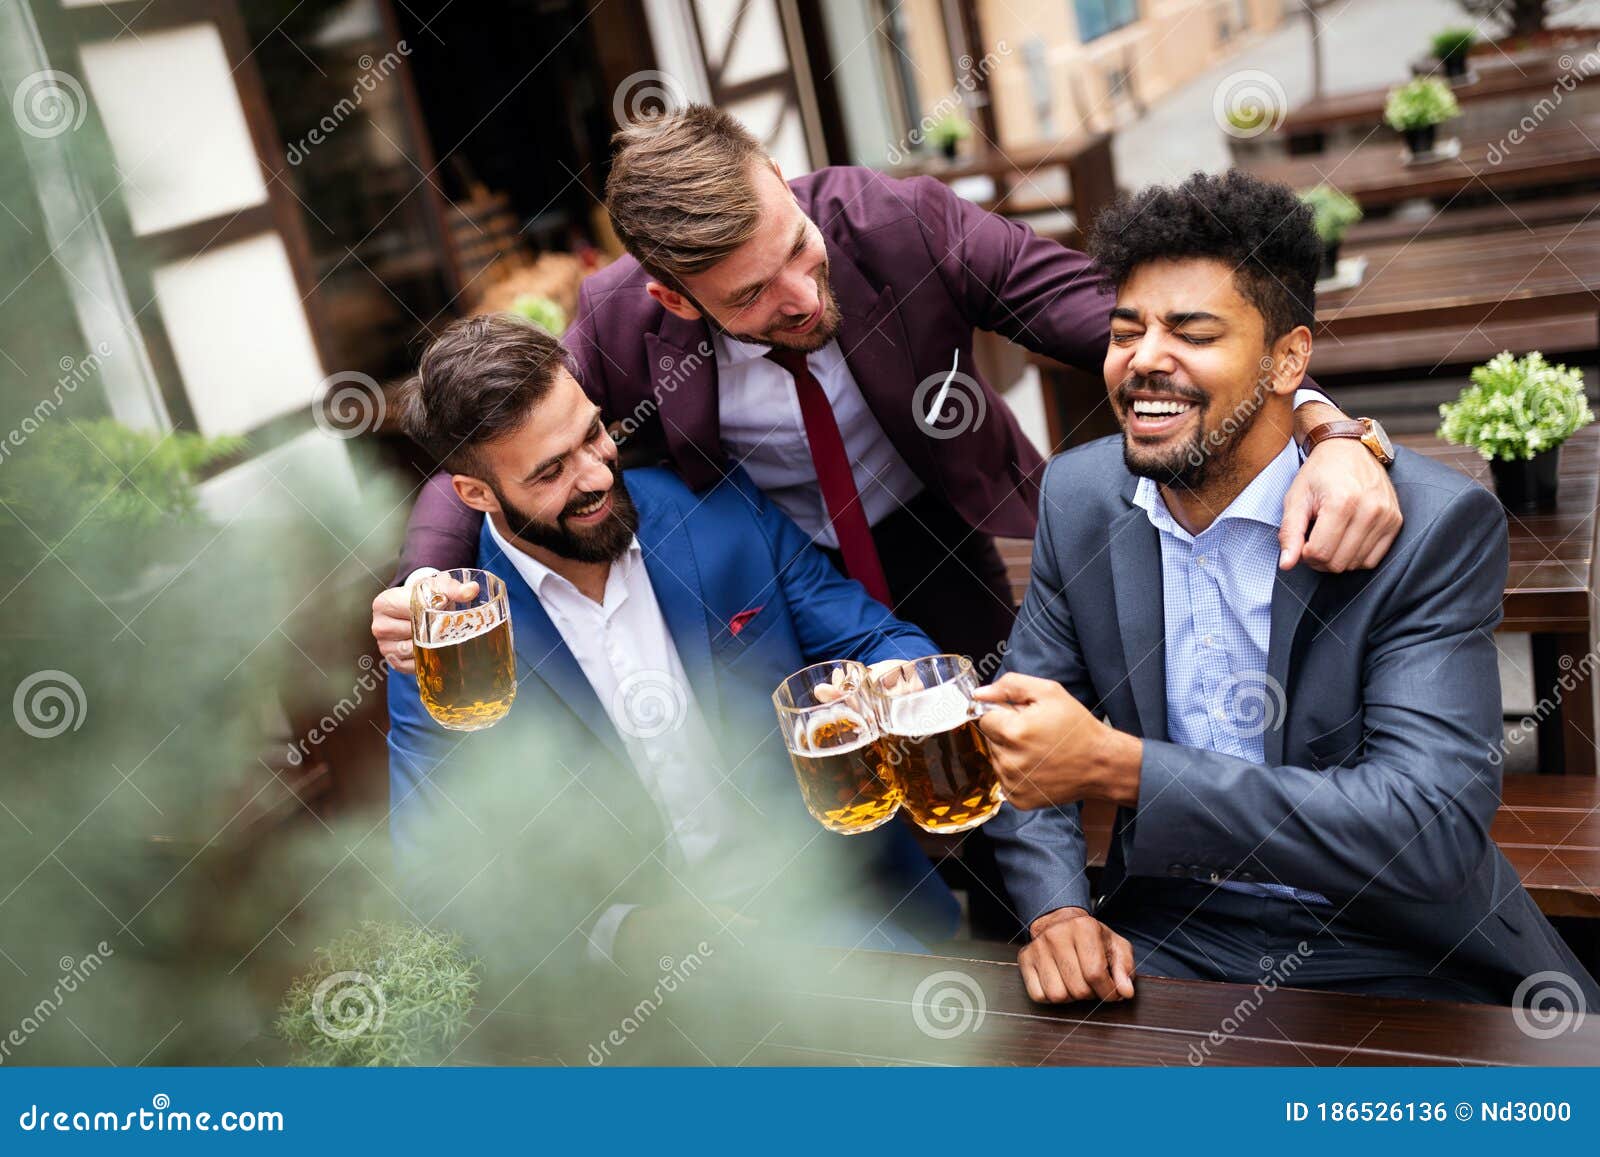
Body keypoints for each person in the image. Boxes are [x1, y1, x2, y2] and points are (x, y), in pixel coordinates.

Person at [372, 105, 1403, 938]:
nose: (798, 291)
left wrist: (1324, 423)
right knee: (841, 830)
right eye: (752, 294)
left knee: (1000, 779)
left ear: (781, 179)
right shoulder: (615, 322)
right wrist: (426, 581)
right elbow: (495, 447)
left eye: (795, 248)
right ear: (674, 300)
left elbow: (1127, 329)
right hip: (765, 573)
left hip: (932, 535)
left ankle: (1052, 955)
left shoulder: (897, 222)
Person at [973, 170, 1600, 1009]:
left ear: (1288, 359)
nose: (1145, 358)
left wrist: (1128, 769)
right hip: (1171, 928)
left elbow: (1427, 827)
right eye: (1128, 330)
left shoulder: (1428, 526)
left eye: (1191, 332)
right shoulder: (1081, 498)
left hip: (1394, 945)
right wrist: (1055, 910)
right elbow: (1025, 725)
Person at [385, 313, 957, 995]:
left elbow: (879, 641)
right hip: (628, 996)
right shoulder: (448, 639)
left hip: (842, 915)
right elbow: (434, 873)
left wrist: (892, 684)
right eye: (550, 473)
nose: (596, 475)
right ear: (476, 494)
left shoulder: (717, 512)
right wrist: (624, 932)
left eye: (594, 434)